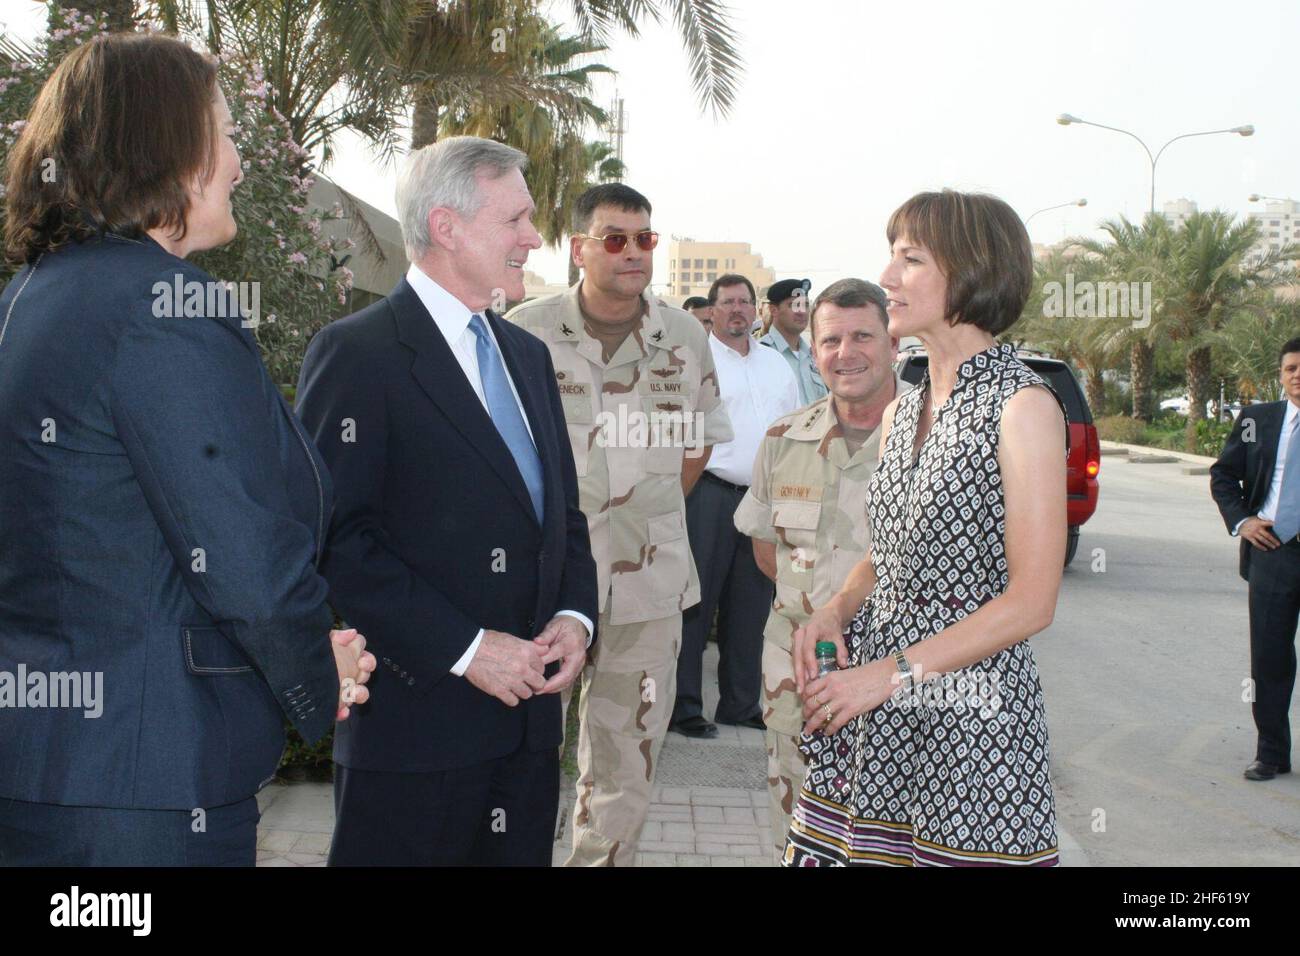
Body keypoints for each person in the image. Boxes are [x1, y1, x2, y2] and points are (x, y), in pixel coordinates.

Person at [0, 33, 373, 867]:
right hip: (143, 789)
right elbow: (235, 548)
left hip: (55, 773)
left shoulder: (30, 298)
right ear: (167, 148)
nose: (240, 162)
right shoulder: (161, 307)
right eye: (228, 134)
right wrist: (320, 659)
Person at [296, 136, 598, 867]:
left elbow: (563, 518)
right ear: (447, 226)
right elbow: (335, 539)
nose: (535, 238)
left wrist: (574, 615)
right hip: (413, 743)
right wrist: (466, 651)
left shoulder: (526, 356)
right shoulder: (359, 353)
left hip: (526, 745)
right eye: (517, 220)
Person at [785, 190, 1067, 867]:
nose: (887, 279)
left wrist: (890, 676)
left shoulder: (1022, 406)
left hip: (969, 717)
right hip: (879, 709)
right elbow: (886, 559)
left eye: (909, 259)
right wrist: (835, 609)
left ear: (970, 271)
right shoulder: (901, 410)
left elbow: (1032, 602)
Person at [508, 183, 731, 866]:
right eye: (614, 239)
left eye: (645, 239)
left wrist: (640, 508)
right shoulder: (524, 332)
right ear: (578, 248)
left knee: (626, 760)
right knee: (518, 754)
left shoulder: (686, 336)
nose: (633, 253)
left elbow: (698, 445)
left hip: (648, 586)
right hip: (540, 587)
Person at [733, 278, 906, 862]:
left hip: (900, 682)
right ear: (813, 349)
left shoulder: (934, 439)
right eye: (830, 340)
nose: (845, 352)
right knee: (799, 838)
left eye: (863, 335)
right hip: (798, 680)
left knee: (890, 845)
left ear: (893, 342)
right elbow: (767, 552)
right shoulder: (785, 438)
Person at [671, 274, 800, 738]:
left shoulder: (776, 366)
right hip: (707, 494)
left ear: (756, 309)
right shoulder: (695, 361)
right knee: (695, 603)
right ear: (713, 310)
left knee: (752, 608)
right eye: (728, 302)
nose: (738, 310)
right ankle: (683, 707)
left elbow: (791, 428)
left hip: (763, 500)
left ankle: (740, 704)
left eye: (746, 302)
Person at [1210, 337, 1300, 781]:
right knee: (1269, 656)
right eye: (1291, 368)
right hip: (1274, 551)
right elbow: (1224, 475)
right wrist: (1242, 521)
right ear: (1281, 376)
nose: (1298, 375)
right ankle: (1271, 753)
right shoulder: (1257, 420)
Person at [760, 277, 828, 405]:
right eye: (794, 305)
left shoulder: (813, 355)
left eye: (805, 305)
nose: (801, 311)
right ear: (774, 310)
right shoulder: (760, 354)